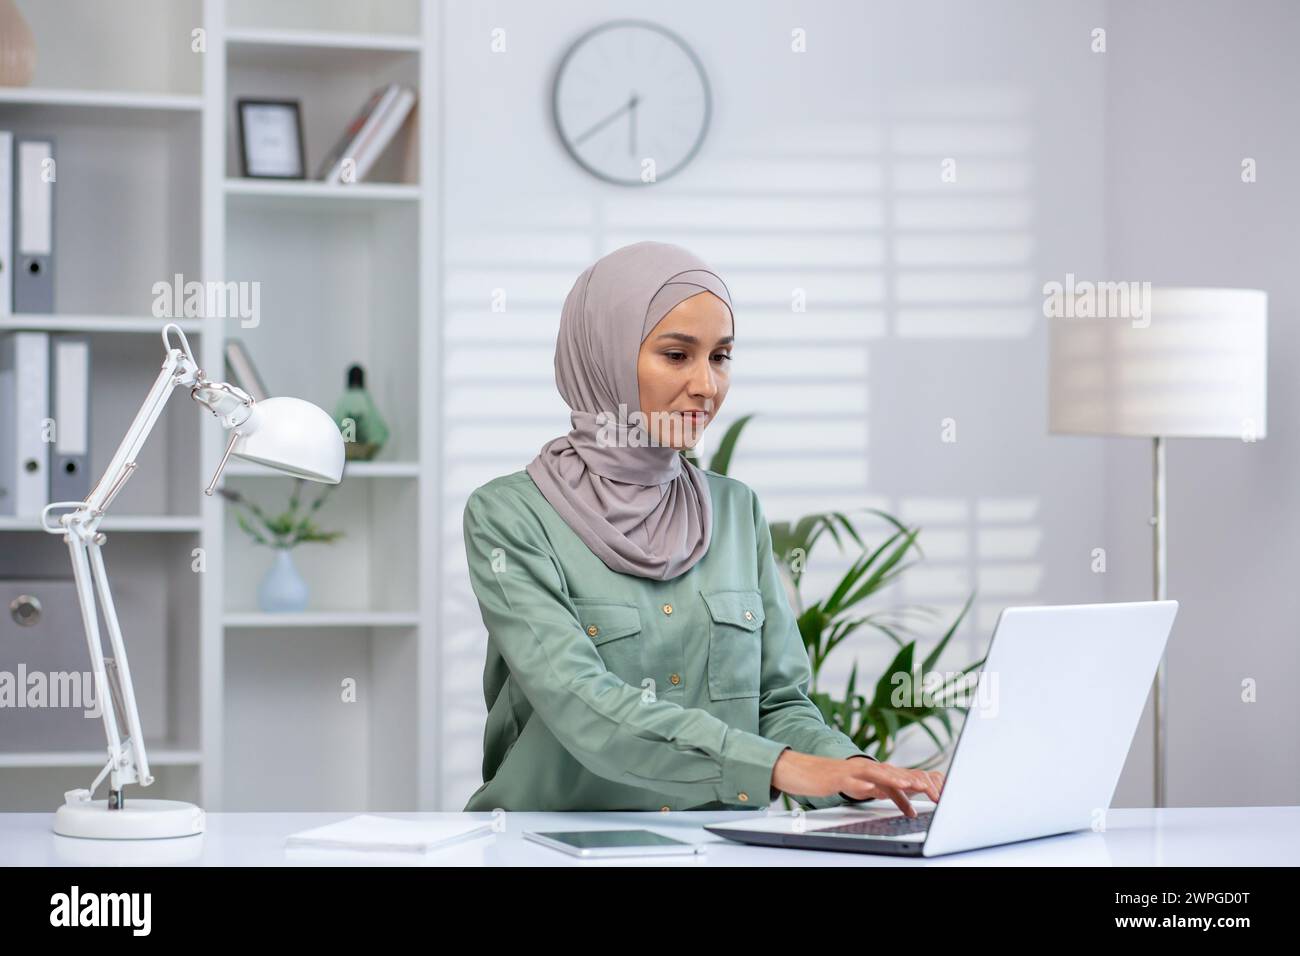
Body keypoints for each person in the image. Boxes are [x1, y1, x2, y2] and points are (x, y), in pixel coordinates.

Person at [462, 240, 943, 815]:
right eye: (676, 354)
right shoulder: (510, 516)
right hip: (551, 848)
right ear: (604, 358)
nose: (706, 386)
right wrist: (779, 768)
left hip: (721, 849)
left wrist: (853, 771)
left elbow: (779, 703)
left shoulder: (736, 511)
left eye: (720, 356)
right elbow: (581, 704)